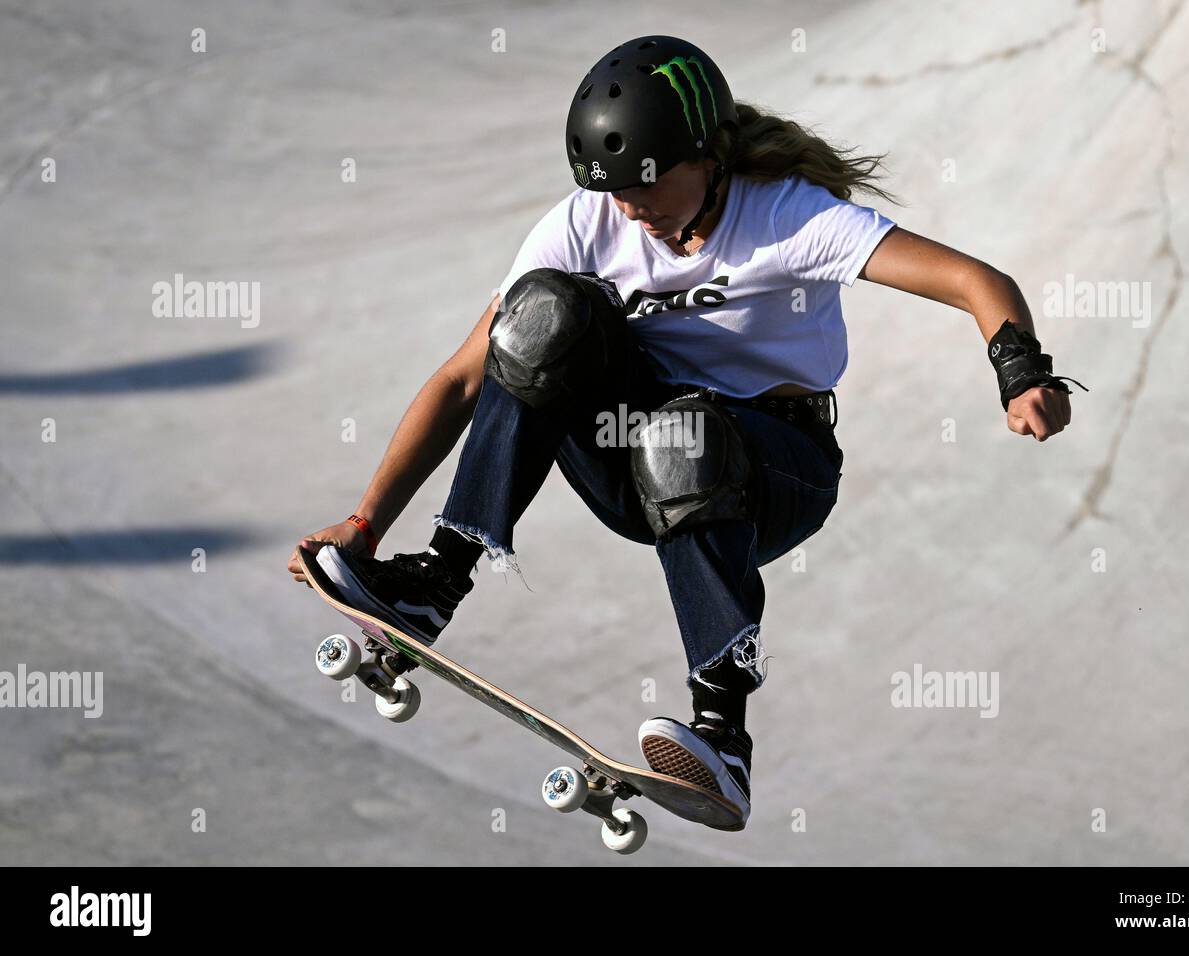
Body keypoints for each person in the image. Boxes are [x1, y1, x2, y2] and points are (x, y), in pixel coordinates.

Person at [286, 35, 1082, 827]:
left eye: (647, 188)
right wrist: (365, 525)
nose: (631, 211)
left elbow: (978, 281)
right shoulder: (590, 221)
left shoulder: (785, 215)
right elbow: (466, 375)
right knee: (538, 319)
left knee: (685, 437)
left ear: (705, 157)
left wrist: (1022, 376)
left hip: (779, 470)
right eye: (615, 195)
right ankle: (432, 587)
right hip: (634, 455)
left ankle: (722, 741)